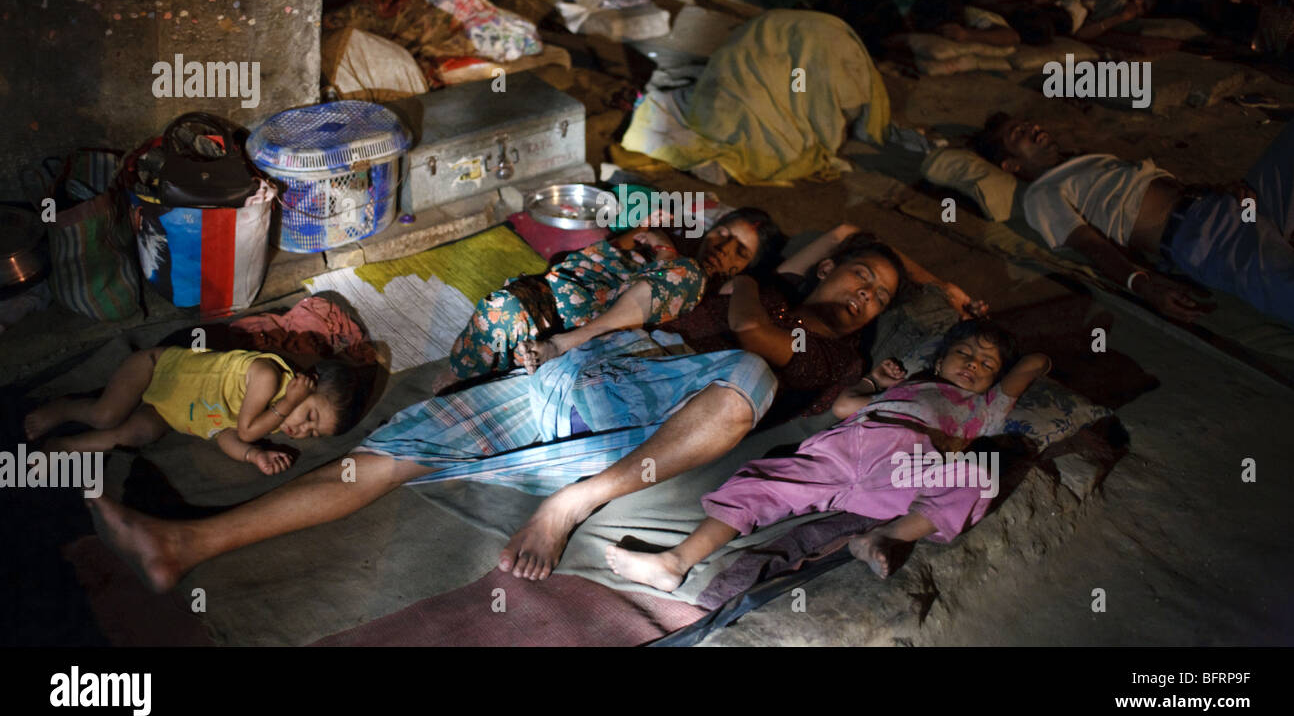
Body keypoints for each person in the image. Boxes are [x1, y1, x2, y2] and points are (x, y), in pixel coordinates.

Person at [87, 226, 915, 591]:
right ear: (830, 265)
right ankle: (184, 544)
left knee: (749, 373)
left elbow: (761, 347)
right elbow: (786, 267)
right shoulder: (769, 279)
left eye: (880, 298)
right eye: (859, 276)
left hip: (674, 412)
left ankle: (569, 503)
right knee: (392, 452)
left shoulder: (828, 348)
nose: (864, 296)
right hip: (596, 366)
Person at [607, 321, 1051, 589]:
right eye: (964, 353)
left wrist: (992, 338)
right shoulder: (908, 385)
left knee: (980, 474)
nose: (972, 363)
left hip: (909, 468)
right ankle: (675, 562)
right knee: (762, 482)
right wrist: (874, 384)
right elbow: (843, 407)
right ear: (938, 362)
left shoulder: (984, 408)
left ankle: (891, 537)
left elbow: (1035, 361)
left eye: (986, 364)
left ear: (995, 381)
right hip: (847, 447)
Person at [971, 112, 1294, 330]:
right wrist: (1143, 285)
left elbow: (1161, 189)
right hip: (1206, 236)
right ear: (1010, 166)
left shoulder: (1083, 163)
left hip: (1236, 204)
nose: (1035, 129)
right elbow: (1091, 245)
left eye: (1030, 125)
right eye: (1021, 134)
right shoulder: (1043, 193)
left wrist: (1222, 190)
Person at [444, 207, 780, 386]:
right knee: (504, 306)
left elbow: (748, 320)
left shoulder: (720, 290)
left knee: (687, 272)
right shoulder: (675, 236)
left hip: (597, 335)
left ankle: (558, 346)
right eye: (723, 233)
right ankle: (459, 381)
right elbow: (616, 244)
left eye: (740, 251)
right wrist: (662, 241)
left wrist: (666, 257)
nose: (723, 248)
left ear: (748, 267)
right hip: (560, 299)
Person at [24, 349, 360, 475]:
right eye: (311, 417)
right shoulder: (267, 376)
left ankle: (66, 447)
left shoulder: (275, 419)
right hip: (155, 370)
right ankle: (64, 407)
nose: (303, 432)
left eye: (313, 433)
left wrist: (252, 456)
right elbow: (245, 429)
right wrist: (279, 412)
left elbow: (227, 434)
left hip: (171, 411)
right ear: (307, 384)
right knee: (106, 415)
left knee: (133, 434)